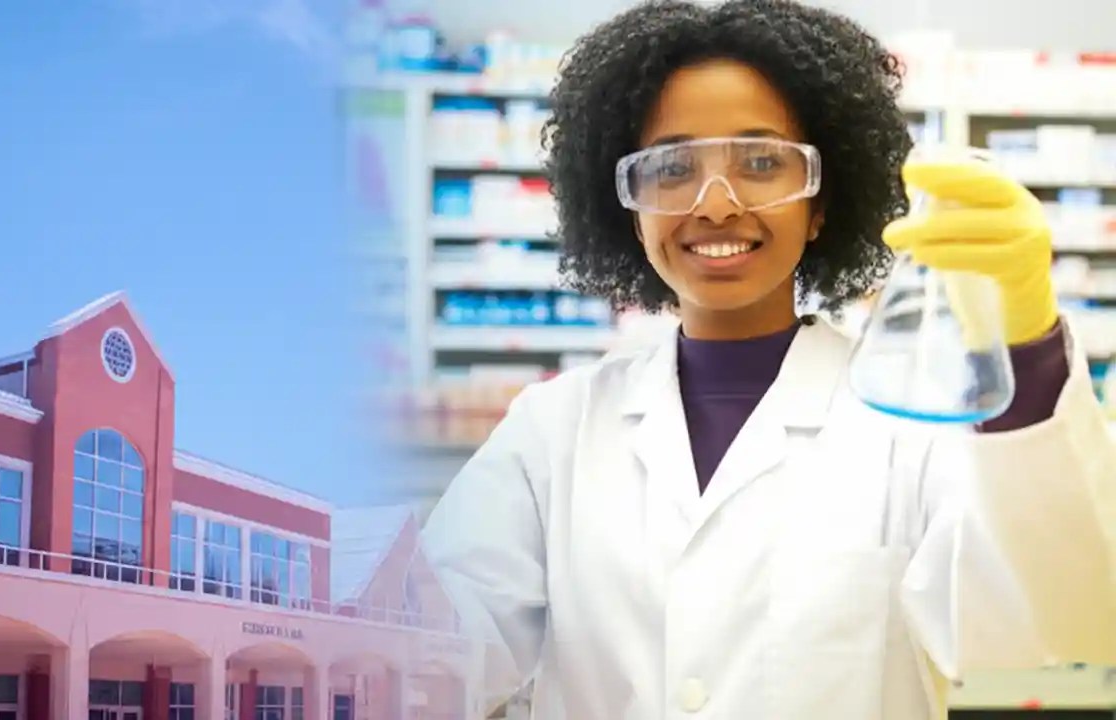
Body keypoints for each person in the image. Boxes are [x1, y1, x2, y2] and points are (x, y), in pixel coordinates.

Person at [418, 1, 1116, 719]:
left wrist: (1027, 348)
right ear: (627, 206)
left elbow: (1065, 615)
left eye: (760, 163)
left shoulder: (912, 422)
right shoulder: (552, 432)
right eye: (672, 168)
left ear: (821, 202)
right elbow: (431, 653)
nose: (716, 206)